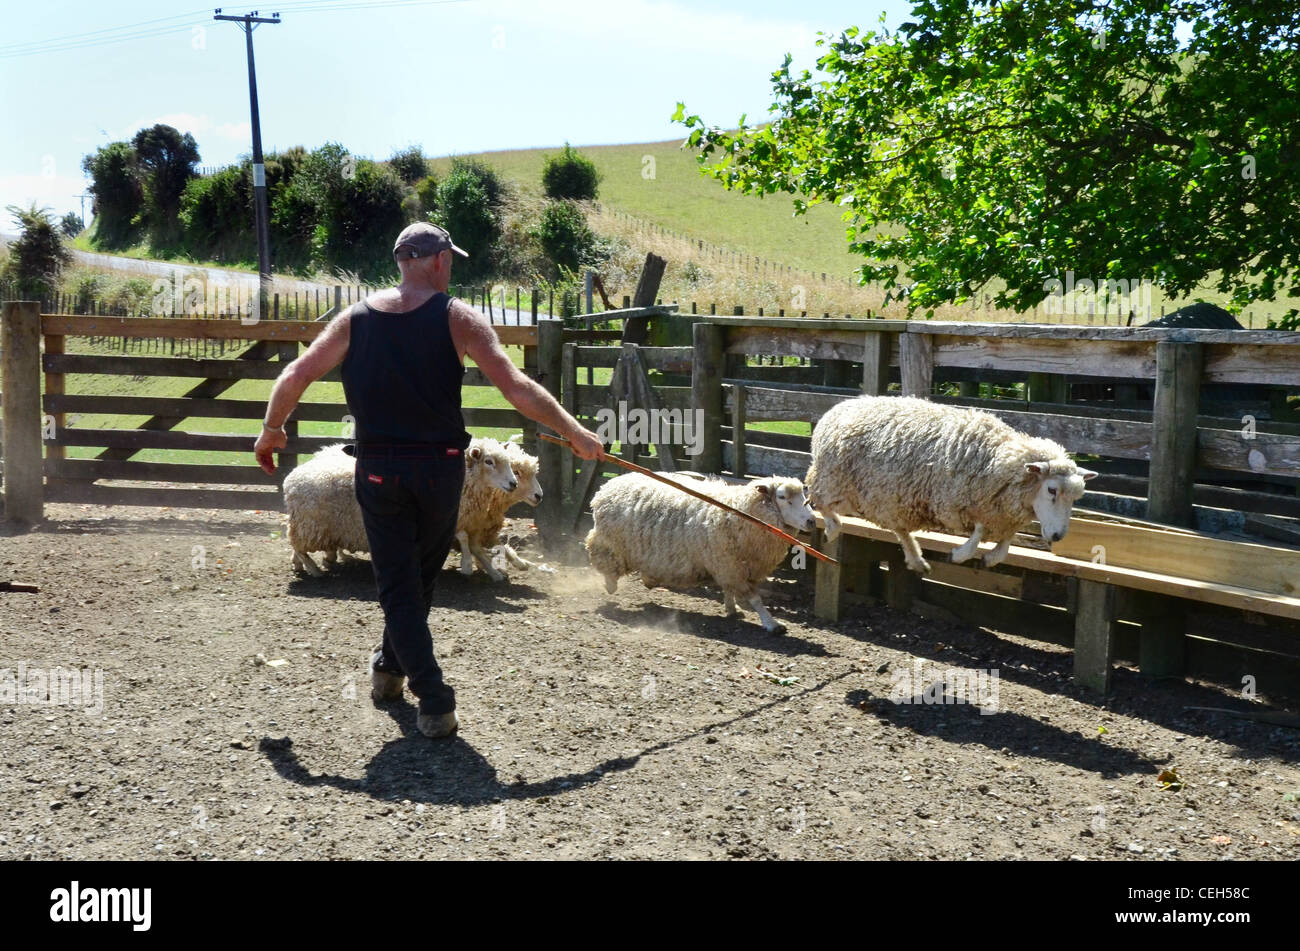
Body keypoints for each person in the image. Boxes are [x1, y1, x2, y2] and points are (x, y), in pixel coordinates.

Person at [254, 222, 604, 738]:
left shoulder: (355, 320)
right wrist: (574, 432)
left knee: (404, 582)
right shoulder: (456, 317)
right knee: (411, 582)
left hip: (375, 469)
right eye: (451, 259)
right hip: (440, 471)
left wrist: (270, 431)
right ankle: (434, 697)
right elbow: (516, 386)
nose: (452, 267)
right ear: (438, 259)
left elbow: (296, 374)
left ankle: (390, 669)